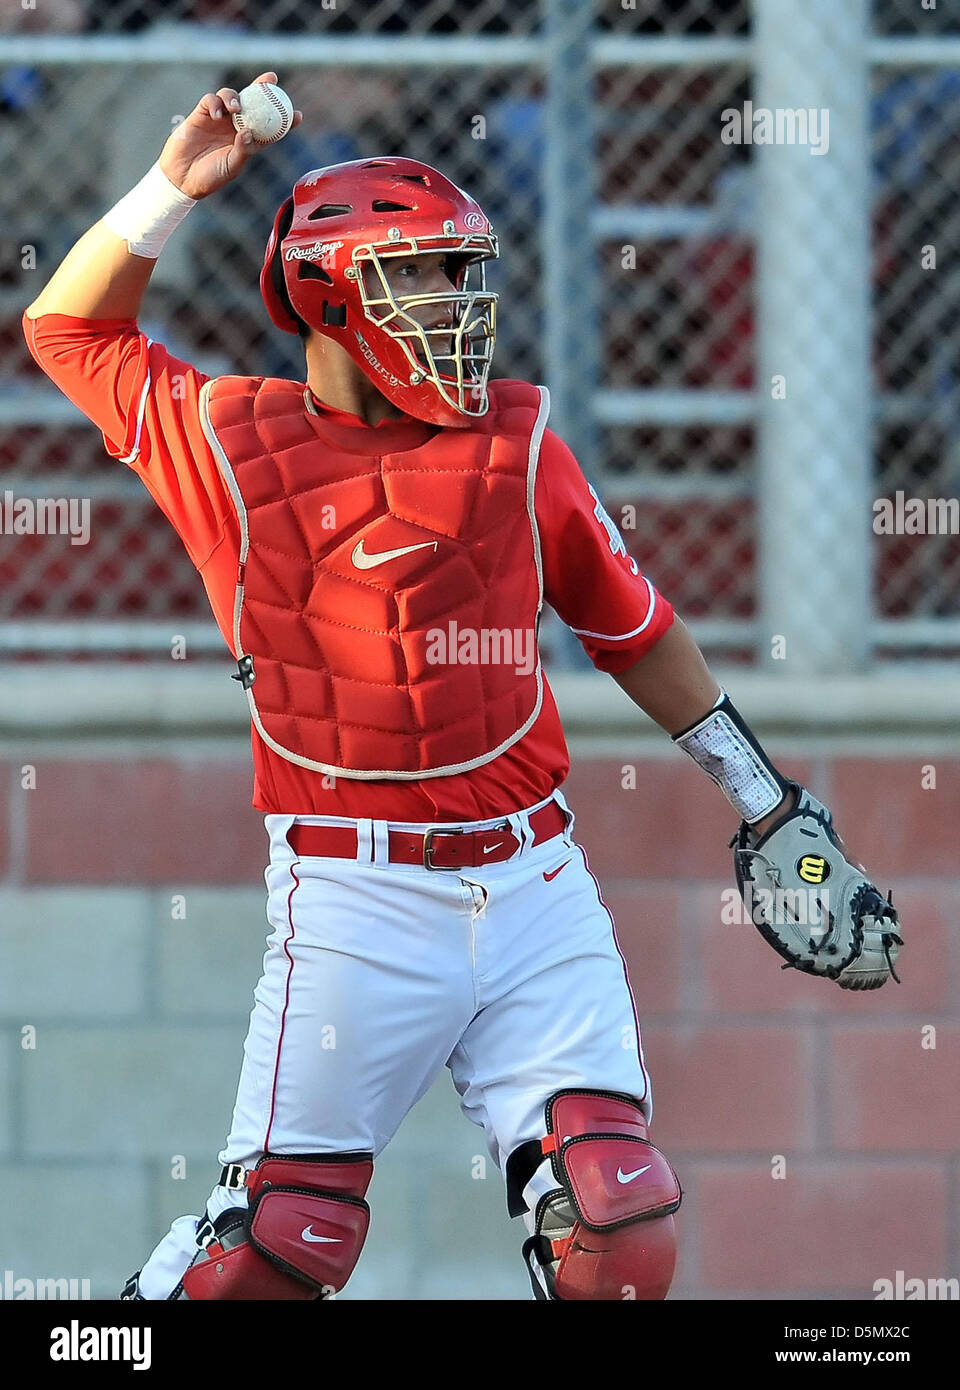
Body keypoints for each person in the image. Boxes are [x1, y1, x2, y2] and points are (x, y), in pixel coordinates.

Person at [23, 73, 901, 1302]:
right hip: (350, 894)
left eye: (460, 276)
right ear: (331, 295)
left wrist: (767, 804)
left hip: (533, 884)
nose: (457, 306)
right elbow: (66, 331)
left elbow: (635, 631)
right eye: (420, 277)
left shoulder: (521, 438)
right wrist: (176, 184)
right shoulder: (229, 442)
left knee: (621, 1224)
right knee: (276, 1250)